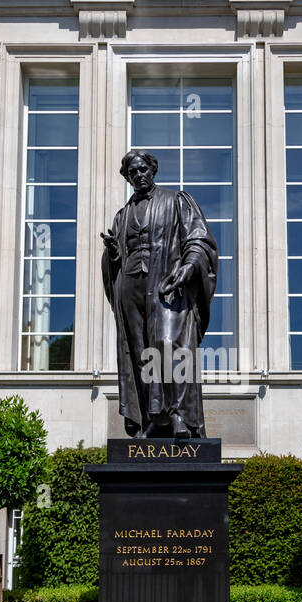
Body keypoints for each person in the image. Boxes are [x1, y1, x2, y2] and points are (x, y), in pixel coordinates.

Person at [101, 149, 218, 438]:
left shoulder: (176, 201)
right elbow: (114, 261)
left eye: (143, 170)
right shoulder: (122, 215)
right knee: (140, 353)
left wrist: (189, 266)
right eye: (133, 173)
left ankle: (180, 416)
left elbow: (199, 239)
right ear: (127, 178)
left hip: (167, 287)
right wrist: (114, 254)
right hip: (131, 288)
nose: (138, 175)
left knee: (169, 346)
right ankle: (152, 419)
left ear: (153, 170)